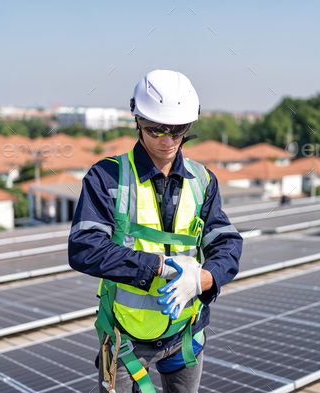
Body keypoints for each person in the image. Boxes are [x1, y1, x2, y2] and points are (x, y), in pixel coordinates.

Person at [68, 69, 243, 393]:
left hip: (186, 332)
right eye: (156, 130)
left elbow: (228, 243)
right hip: (126, 337)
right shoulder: (108, 177)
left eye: (177, 131)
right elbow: (83, 247)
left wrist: (202, 279)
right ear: (138, 121)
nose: (167, 140)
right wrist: (160, 268)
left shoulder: (202, 180)